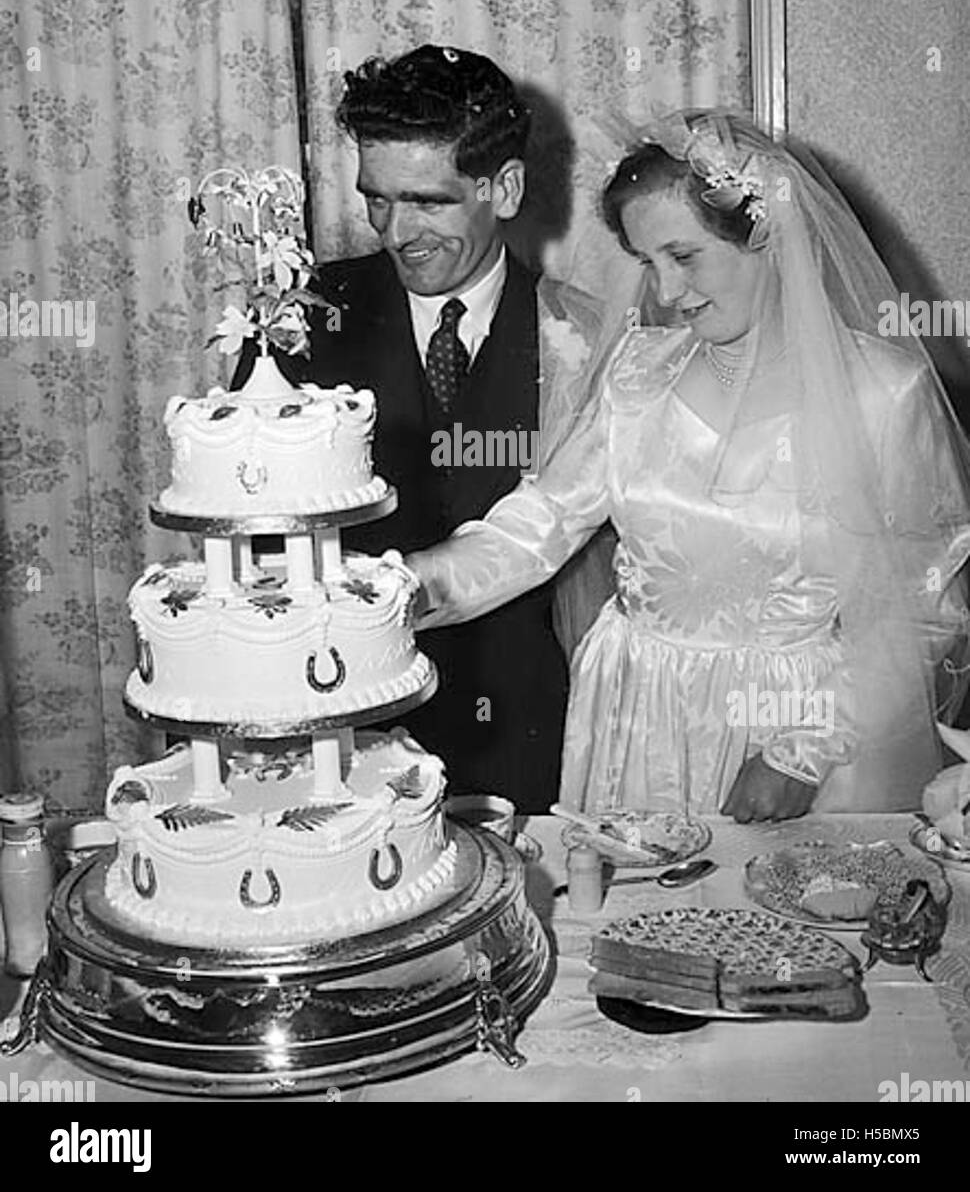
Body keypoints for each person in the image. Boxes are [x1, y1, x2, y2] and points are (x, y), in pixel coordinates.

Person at [408, 110, 970, 821]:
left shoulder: (884, 394)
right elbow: (540, 523)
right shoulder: (638, 374)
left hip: (794, 728)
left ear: (766, 233)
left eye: (686, 256)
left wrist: (799, 752)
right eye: (649, 263)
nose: (666, 293)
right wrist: (411, 585)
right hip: (636, 718)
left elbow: (923, 604)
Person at [234, 44, 569, 813]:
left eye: (427, 201)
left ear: (506, 188)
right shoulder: (296, 320)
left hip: (521, 743)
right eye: (376, 199)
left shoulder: (575, 333)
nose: (394, 230)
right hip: (339, 736)